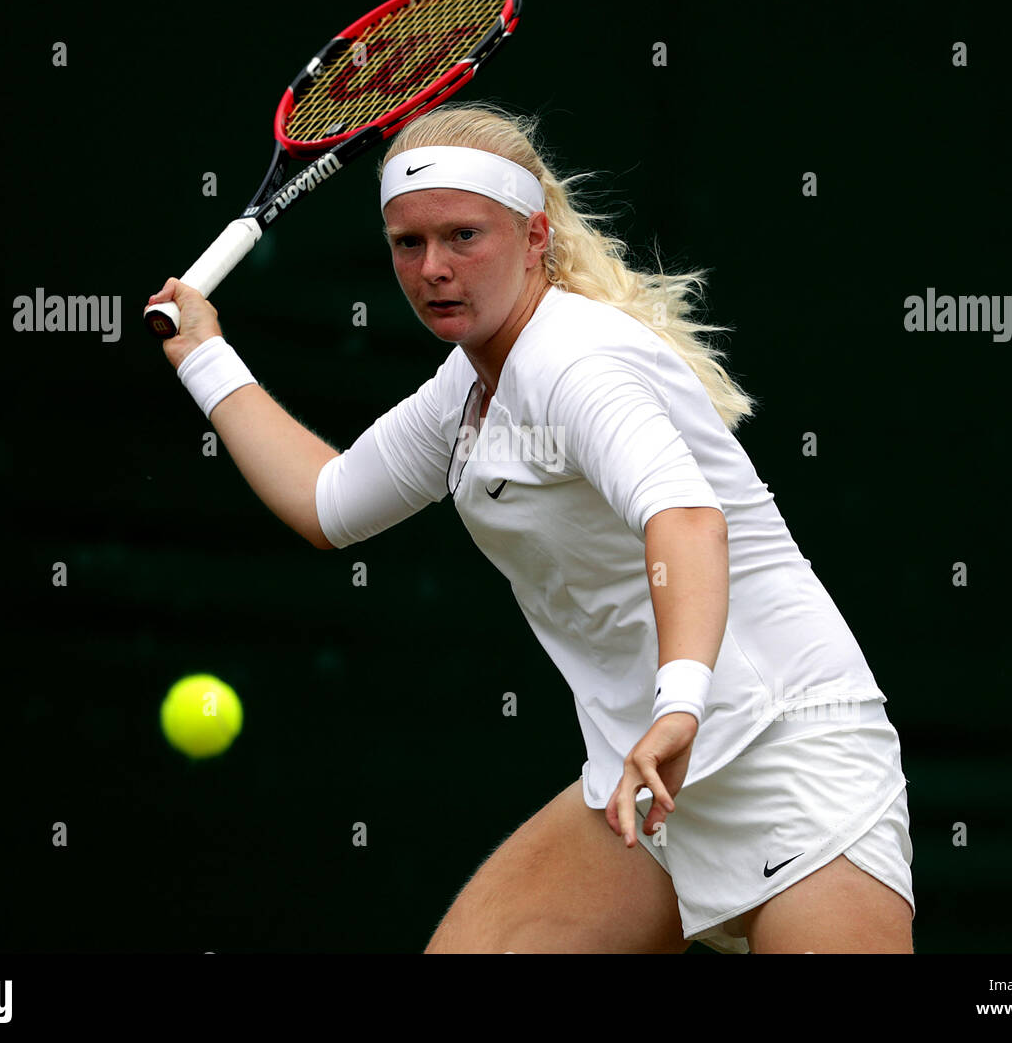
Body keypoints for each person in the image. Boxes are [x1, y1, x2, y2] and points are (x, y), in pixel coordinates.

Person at [147, 102, 915, 954]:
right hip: (649, 776)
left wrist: (680, 706)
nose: (434, 268)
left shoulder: (575, 362)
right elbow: (329, 503)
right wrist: (205, 356)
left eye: (464, 237)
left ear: (534, 237)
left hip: (786, 750)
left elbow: (687, 521)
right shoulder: (467, 388)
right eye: (409, 243)